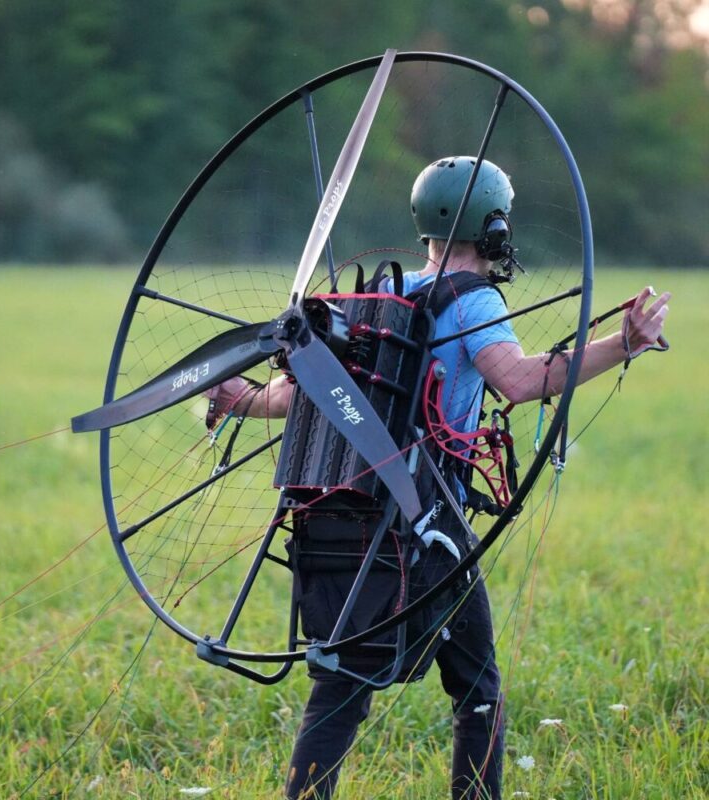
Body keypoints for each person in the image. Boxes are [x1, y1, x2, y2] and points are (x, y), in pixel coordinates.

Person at [206, 156, 670, 799]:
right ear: (495, 227)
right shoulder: (471, 300)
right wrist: (625, 343)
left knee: (340, 683)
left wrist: (236, 396)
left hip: (345, 515)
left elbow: (294, 397)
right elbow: (521, 380)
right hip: (427, 524)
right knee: (477, 685)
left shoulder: (372, 298)